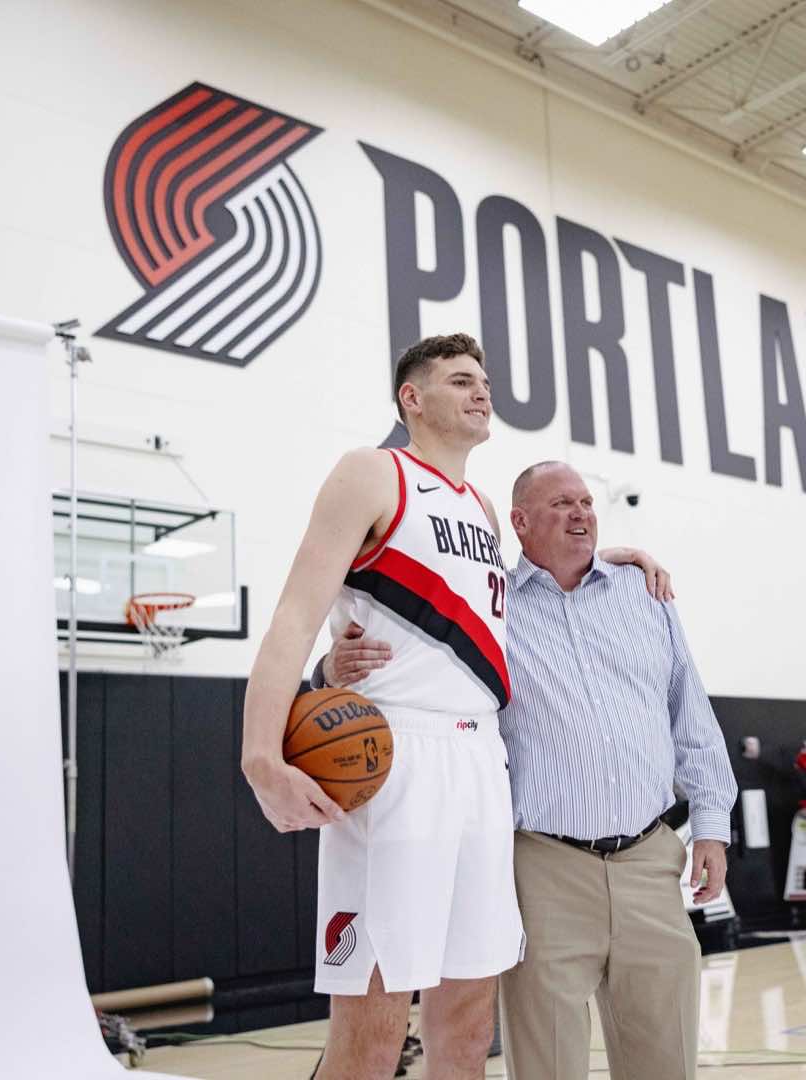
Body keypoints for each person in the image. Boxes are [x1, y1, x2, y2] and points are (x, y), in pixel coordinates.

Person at [244, 333, 668, 1080]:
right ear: (412, 397)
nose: (482, 392)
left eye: (485, 382)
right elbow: (294, 613)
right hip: (393, 758)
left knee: (470, 1031)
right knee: (373, 1035)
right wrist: (260, 755)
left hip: (482, 762)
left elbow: (478, 618)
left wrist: (605, 559)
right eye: (461, 380)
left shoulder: (481, 509)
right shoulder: (371, 473)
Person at [324, 460, 737, 1080]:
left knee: (666, 1062)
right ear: (518, 523)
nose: (580, 513)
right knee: (546, 1066)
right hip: (543, 868)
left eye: (587, 504)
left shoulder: (644, 594)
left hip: (652, 860)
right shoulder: (487, 609)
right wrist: (329, 668)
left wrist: (712, 824)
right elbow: (398, 644)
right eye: (560, 505)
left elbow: (692, 717)